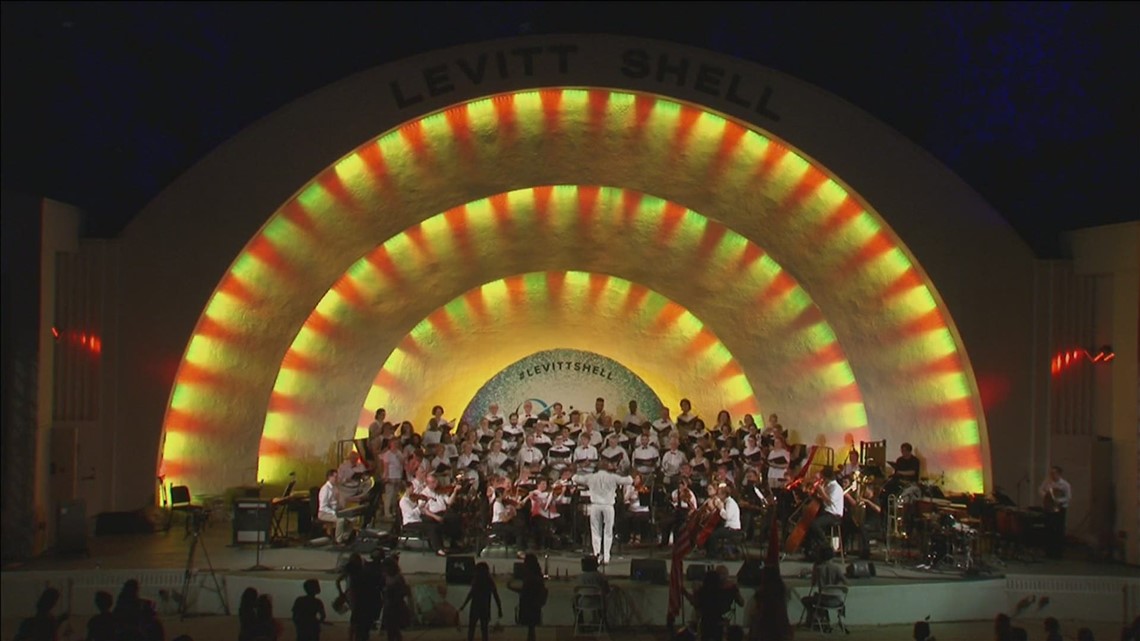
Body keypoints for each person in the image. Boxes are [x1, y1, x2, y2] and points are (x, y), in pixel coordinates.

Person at [573, 459, 634, 564]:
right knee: (608, 531)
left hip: (595, 505)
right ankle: (606, 556)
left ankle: (597, 554)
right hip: (608, 506)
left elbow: (575, 478)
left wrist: (577, 468)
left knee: (595, 530)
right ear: (607, 468)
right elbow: (629, 481)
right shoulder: (613, 477)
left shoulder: (591, 477)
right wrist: (626, 472)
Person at [799, 547, 845, 627]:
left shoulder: (819, 568)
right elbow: (846, 582)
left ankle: (817, 618)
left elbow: (813, 583)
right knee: (817, 598)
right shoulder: (836, 568)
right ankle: (822, 617)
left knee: (806, 600)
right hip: (837, 601)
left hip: (823, 600)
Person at [807, 467, 844, 559]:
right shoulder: (828, 486)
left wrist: (821, 491)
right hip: (826, 512)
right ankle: (813, 551)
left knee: (815, 525)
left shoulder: (835, 487)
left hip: (834, 515)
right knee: (809, 525)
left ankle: (826, 546)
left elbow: (829, 501)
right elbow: (822, 499)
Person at [459, 562, 502, 641]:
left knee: (472, 629)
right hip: (485, 608)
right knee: (484, 630)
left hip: (475, 607)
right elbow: (496, 596)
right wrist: (499, 609)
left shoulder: (476, 581)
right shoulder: (489, 581)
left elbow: (471, 594)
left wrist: (463, 605)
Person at [746, 567, 792, 641]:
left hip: (764, 625)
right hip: (779, 626)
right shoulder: (781, 592)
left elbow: (756, 613)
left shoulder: (761, 594)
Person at [509, 554, 547, 641]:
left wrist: (512, 588)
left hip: (528, 605)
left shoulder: (529, 576)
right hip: (535, 605)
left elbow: (525, 591)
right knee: (531, 628)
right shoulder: (538, 576)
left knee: (530, 628)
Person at [1038, 465, 1071, 559]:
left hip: (1060, 509)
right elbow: (1040, 489)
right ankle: (1048, 552)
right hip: (1049, 508)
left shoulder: (1065, 485)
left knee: (1058, 530)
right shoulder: (1048, 482)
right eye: (1051, 473)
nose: (1052, 475)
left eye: (1054, 473)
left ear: (1059, 474)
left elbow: (1068, 497)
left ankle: (1058, 553)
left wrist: (1058, 501)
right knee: (1049, 529)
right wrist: (1046, 496)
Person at [703, 483, 742, 558]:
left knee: (713, 535)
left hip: (732, 529)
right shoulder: (726, 502)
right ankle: (710, 551)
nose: (718, 496)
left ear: (724, 495)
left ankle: (713, 554)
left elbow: (727, 517)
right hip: (727, 527)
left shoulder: (730, 503)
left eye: (719, 494)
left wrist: (721, 508)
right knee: (711, 532)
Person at [318, 469, 353, 544]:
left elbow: (336, 502)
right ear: (329, 477)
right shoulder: (325, 489)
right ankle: (338, 540)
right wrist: (334, 512)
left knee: (351, 519)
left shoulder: (335, 487)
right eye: (335, 477)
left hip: (334, 511)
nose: (336, 479)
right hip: (324, 513)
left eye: (337, 477)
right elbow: (323, 506)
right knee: (341, 520)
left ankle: (345, 537)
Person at [381, 558, 412, 641]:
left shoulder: (398, 577)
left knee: (394, 628)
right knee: (390, 629)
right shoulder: (386, 576)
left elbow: (404, 591)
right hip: (389, 604)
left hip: (396, 605)